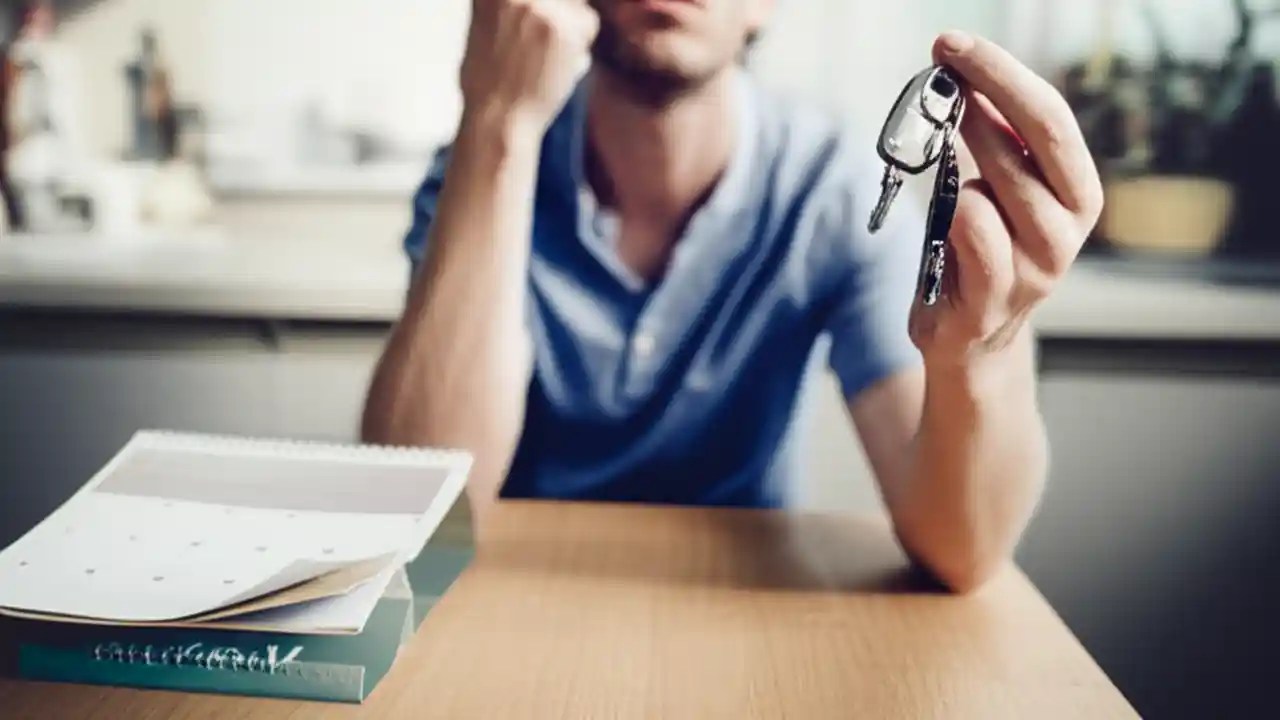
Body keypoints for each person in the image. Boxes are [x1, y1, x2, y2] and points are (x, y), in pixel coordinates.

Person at [362, 0, 1104, 593]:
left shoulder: (830, 185)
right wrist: (498, 122)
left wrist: (983, 354)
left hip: (746, 612)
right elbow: (419, 520)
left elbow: (960, 555)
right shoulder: (481, 169)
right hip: (510, 602)